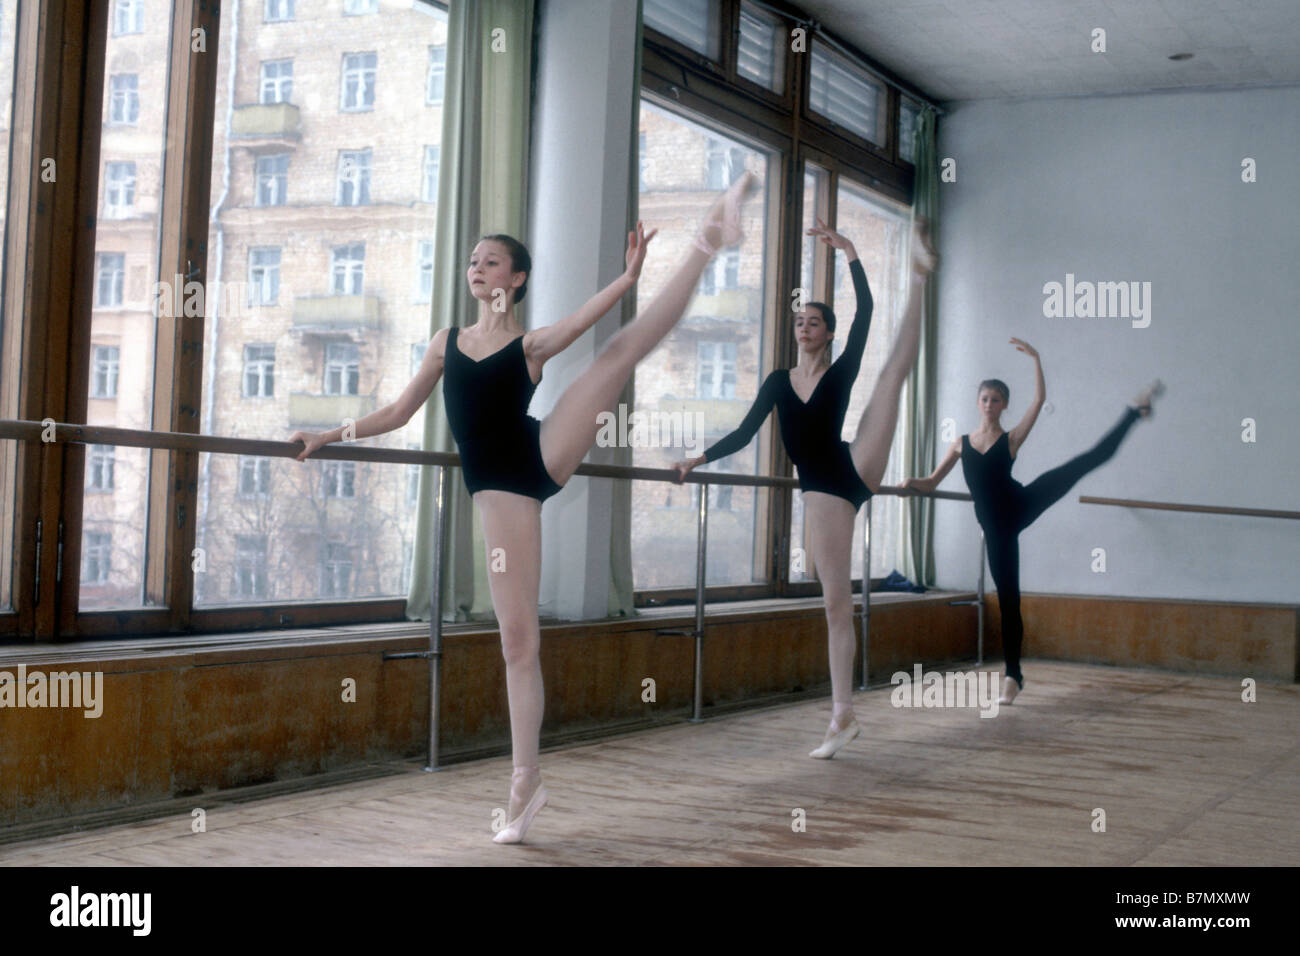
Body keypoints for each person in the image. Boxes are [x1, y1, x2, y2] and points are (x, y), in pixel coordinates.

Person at [290, 171, 757, 843]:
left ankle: (709, 241)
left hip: (537, 455)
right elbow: (396, 412)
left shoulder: (530, 344)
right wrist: (327, 436)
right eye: (473, 260)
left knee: (621, 352)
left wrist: (628, 281)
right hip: (499, 492)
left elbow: (583, 324)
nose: (477, 268)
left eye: (491, 261)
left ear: (516, 278)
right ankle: (526, 782)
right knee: (518, 640)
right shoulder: (444, 343)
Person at [673, 217, 936, 759]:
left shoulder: (839, 372)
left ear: (828, 332)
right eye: (799, 320)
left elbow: (864, 314)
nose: (804, 326)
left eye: (814, 321)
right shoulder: (776, 382)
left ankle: (919, 279)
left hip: (853, 463)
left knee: (891, 376)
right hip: (822, 491)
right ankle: (843, 715)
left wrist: (852, 253)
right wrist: (701, 456)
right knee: (837, 605)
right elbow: (747, 431)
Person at [904, 342, 1162, 704]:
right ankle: (1015, 676)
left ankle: (1135, 411)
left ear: (1004, 405)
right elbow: (931, 482)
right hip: (998, 530)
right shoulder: (960, 444)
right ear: (977, 402)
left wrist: (1037, 360)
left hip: (1023, 503)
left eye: (996, 399)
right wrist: (908, 485)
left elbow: (1039, 401)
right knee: (1010, 600)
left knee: (1086, 460)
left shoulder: (1010, 439)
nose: (990, 405)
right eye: (985, 399)